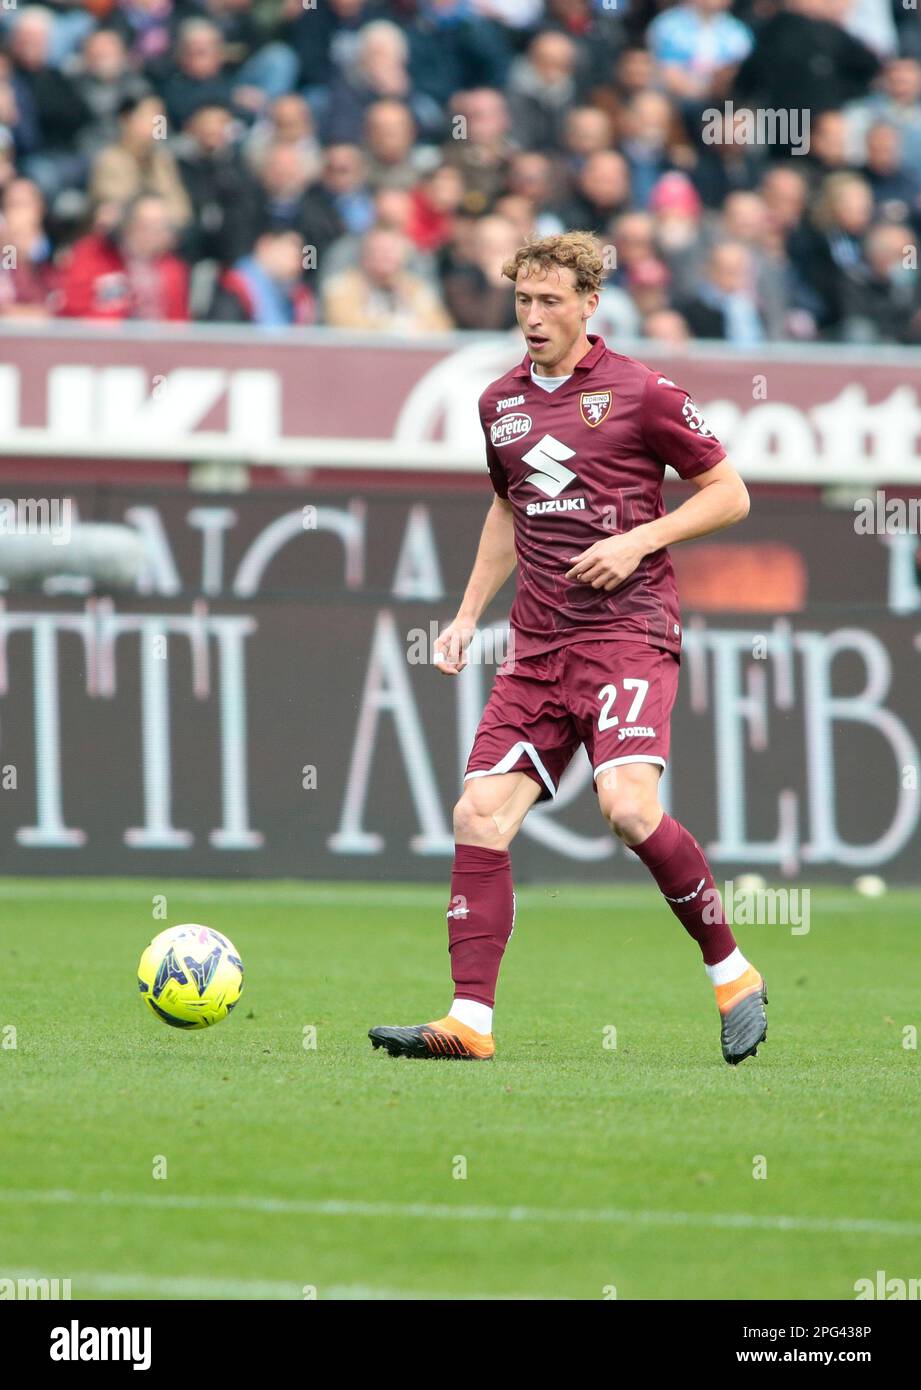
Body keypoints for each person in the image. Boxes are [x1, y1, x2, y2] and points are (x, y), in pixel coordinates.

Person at [368, 230, 768, 1067]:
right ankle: (469, 1022)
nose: (534, 317)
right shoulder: (499, 404)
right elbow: (507, 507)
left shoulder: (643, 393)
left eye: (551, 301)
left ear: (590, 303)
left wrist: (638, 540)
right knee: (478, 813)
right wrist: (468, 612)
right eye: (523, 300)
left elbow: (728, 493)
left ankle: (731, 972)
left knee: (625, 809)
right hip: (536, 647)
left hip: (627, 635)